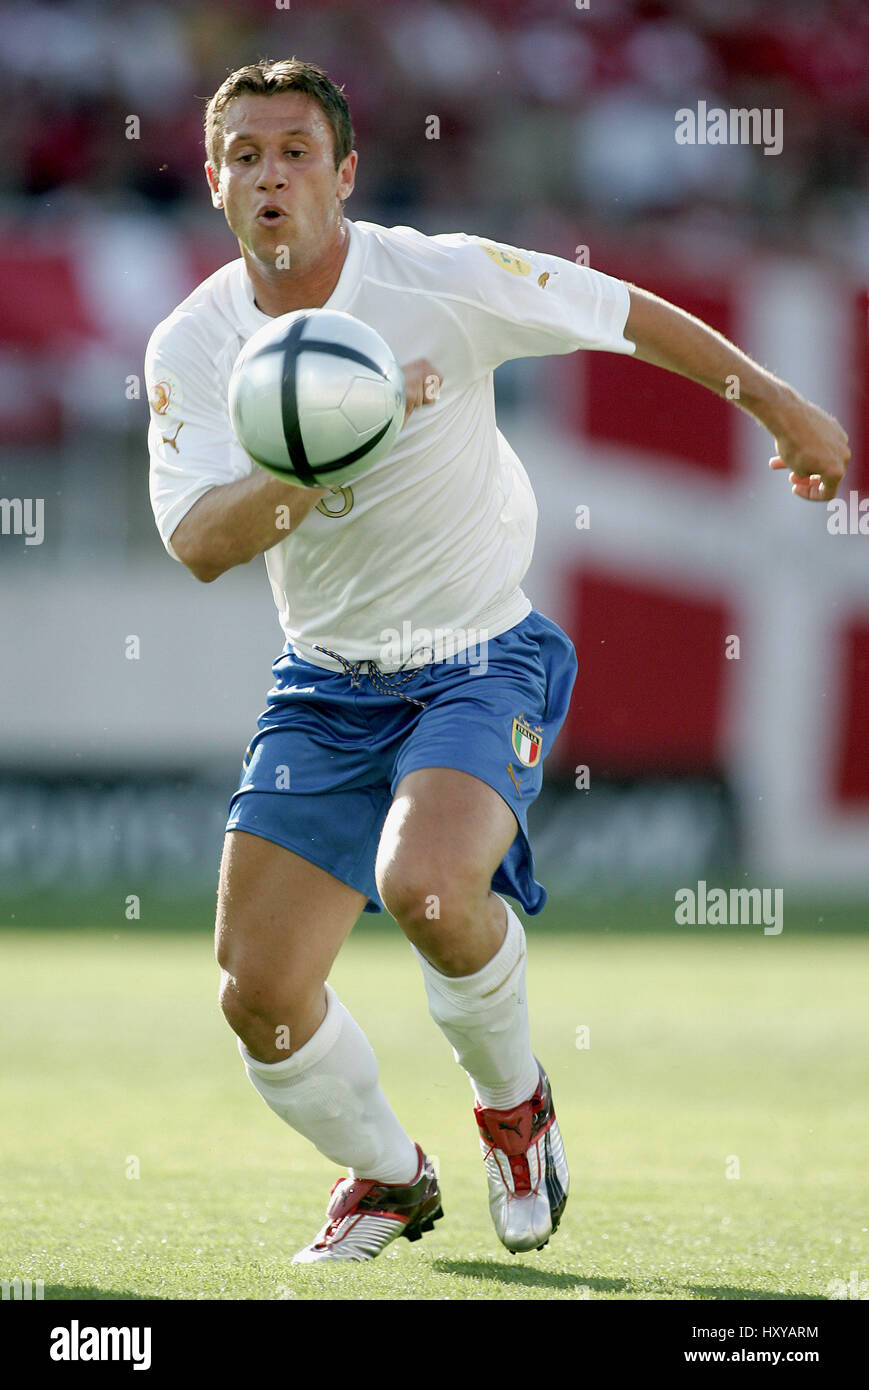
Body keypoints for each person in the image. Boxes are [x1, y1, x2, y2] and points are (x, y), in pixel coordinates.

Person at [145, 58, 849, 1264]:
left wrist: (781, 406)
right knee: (256, 999)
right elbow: (201, 543)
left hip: (474, 655)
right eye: (246, 156)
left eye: (296, 152)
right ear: (214, 182)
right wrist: (319, 459)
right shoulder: (194, 340)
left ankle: (515, 1112)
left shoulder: (437, 277)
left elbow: (619, 311)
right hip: (322, 683)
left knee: (427, 886)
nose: (271, 176)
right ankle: (384, 1177)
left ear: (345, 174)